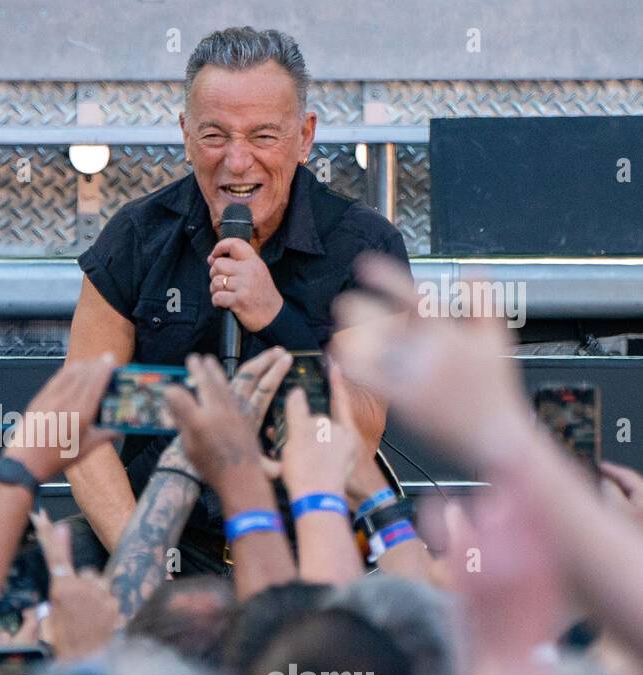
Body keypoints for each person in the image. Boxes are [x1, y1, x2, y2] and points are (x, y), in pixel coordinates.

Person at [63, 26, 409, 571]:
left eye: (263, 136)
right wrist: (142, 564)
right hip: (165, 544)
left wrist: (275, 316)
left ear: (304, 136)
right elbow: (78, 426)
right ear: (185, 134)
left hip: (308, 548)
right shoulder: (134, 238)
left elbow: (359, 434)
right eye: (215, 135)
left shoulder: (366, 248)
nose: (238, 161)